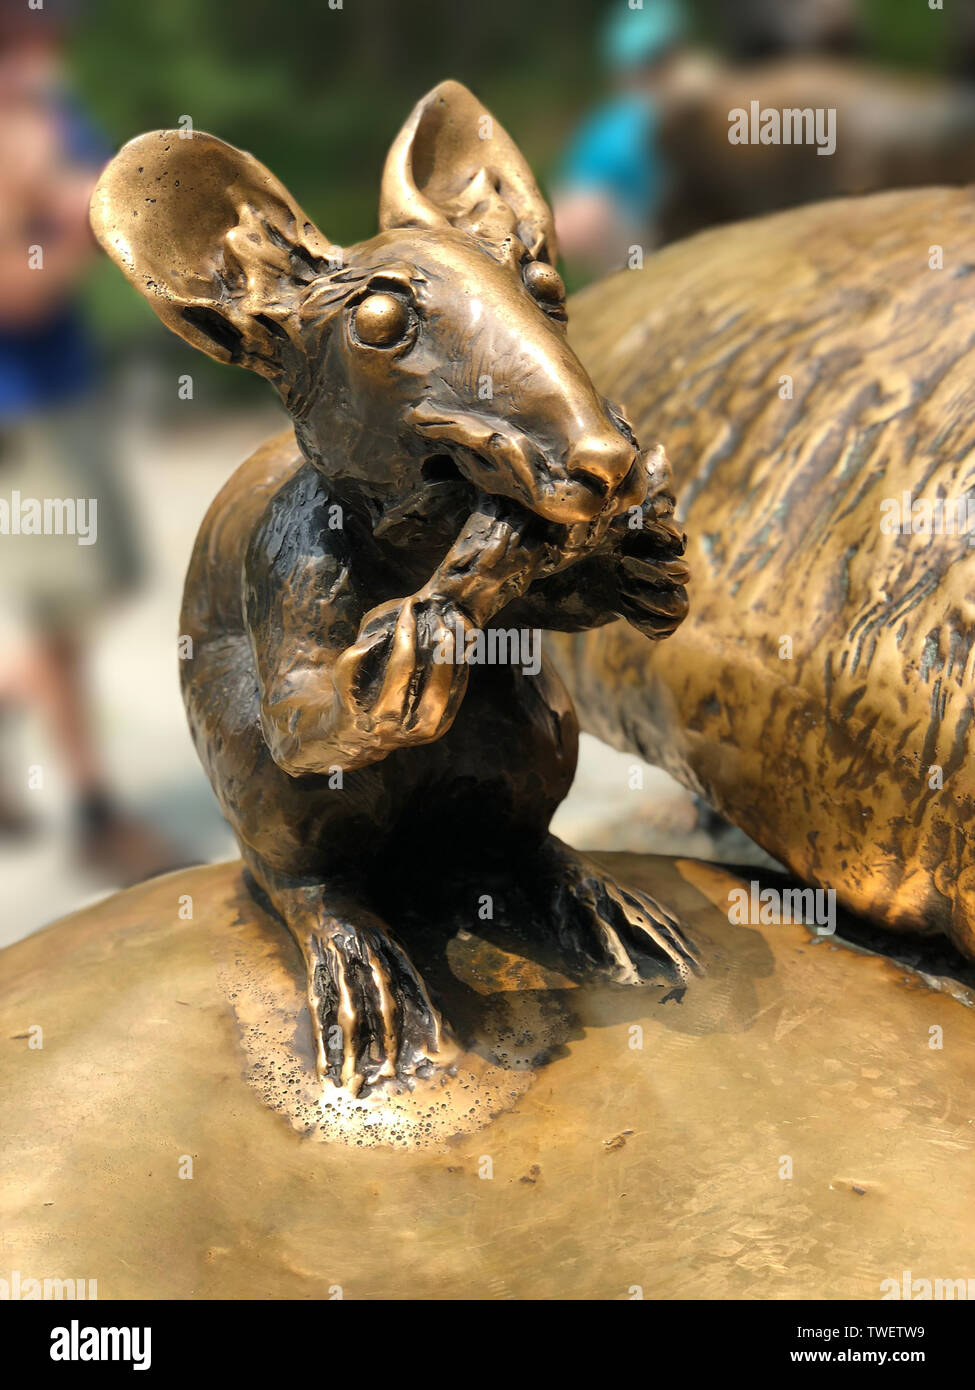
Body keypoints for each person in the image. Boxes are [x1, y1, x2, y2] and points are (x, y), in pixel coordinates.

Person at [0, 7, 187, 885]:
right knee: (61, 615)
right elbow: (19, 296)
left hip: (65, 392)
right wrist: (70, 226)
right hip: (20, 409)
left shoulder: (47, 110)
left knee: (94, 592)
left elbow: (126, 199)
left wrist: (71, 209)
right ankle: (94, 811)